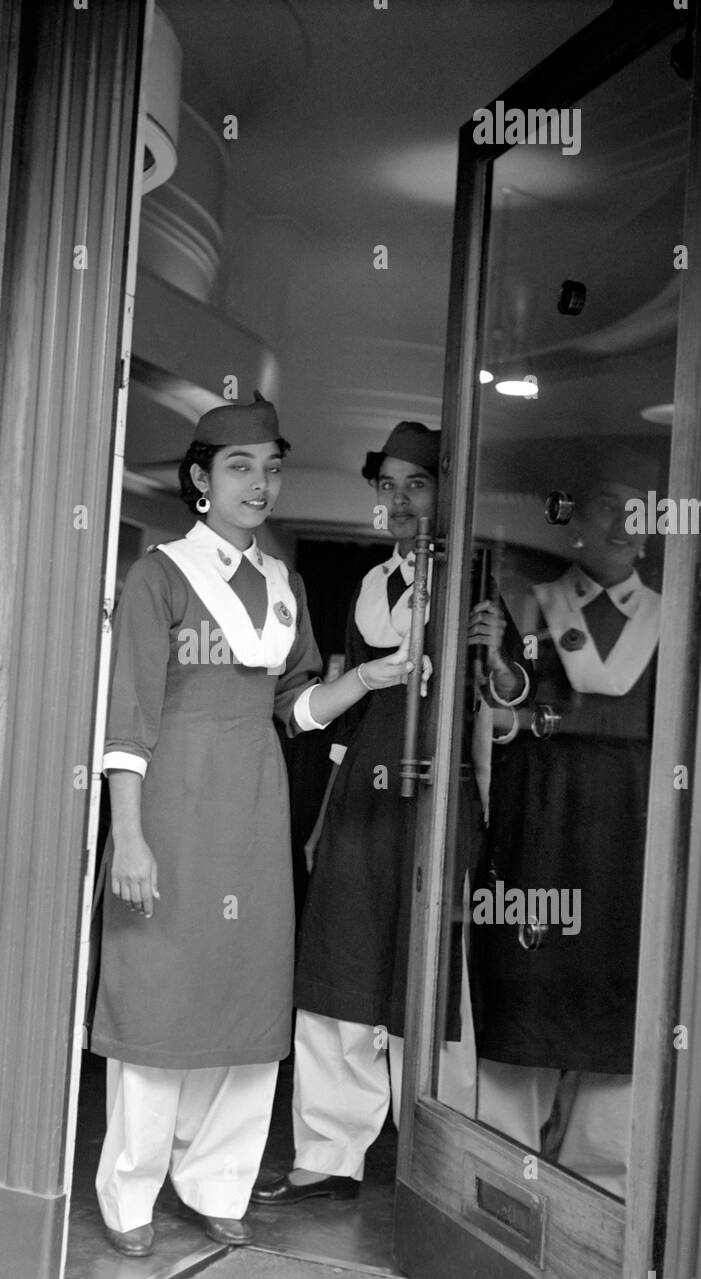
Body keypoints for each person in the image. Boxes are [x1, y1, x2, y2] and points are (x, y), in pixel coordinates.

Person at [92, 394, 414, 1256]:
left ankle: (215, 1183)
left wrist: (370, 681)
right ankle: (129, 1193)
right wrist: (127, 835)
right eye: (240, 467)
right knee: (159, 999)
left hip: (252, 815)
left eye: (272, 467)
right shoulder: (158, 576)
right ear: (199, 479)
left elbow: (294, 706)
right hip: (168, 807)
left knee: (244, 1005)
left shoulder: (284, 586)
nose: (260, 484)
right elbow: (125, 718)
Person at [252, 421, 532, 1205]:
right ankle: (327, 1151)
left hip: (439, 795)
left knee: (428, 976)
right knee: (339, 960)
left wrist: (501, 658)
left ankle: (438, 1160)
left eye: (416, 484)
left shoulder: (486, 583)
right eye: (387, 486)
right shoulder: (372, 583)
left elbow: (512, 711)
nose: (400, 500)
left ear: (447, 491)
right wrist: (322, 813)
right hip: (359, 792)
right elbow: (337, 712)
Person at [470, 460, 661, 1198]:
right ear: (575, 524)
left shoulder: (672, 619)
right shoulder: (529, 606)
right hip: (543, 822)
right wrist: (498, 671)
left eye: (638, 513)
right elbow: (504, 712)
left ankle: (595, 1181)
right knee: (531, 978)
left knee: (614, 989)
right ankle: (505, 1166)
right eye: (607, 506)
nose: (622, 524)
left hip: (630, 828)